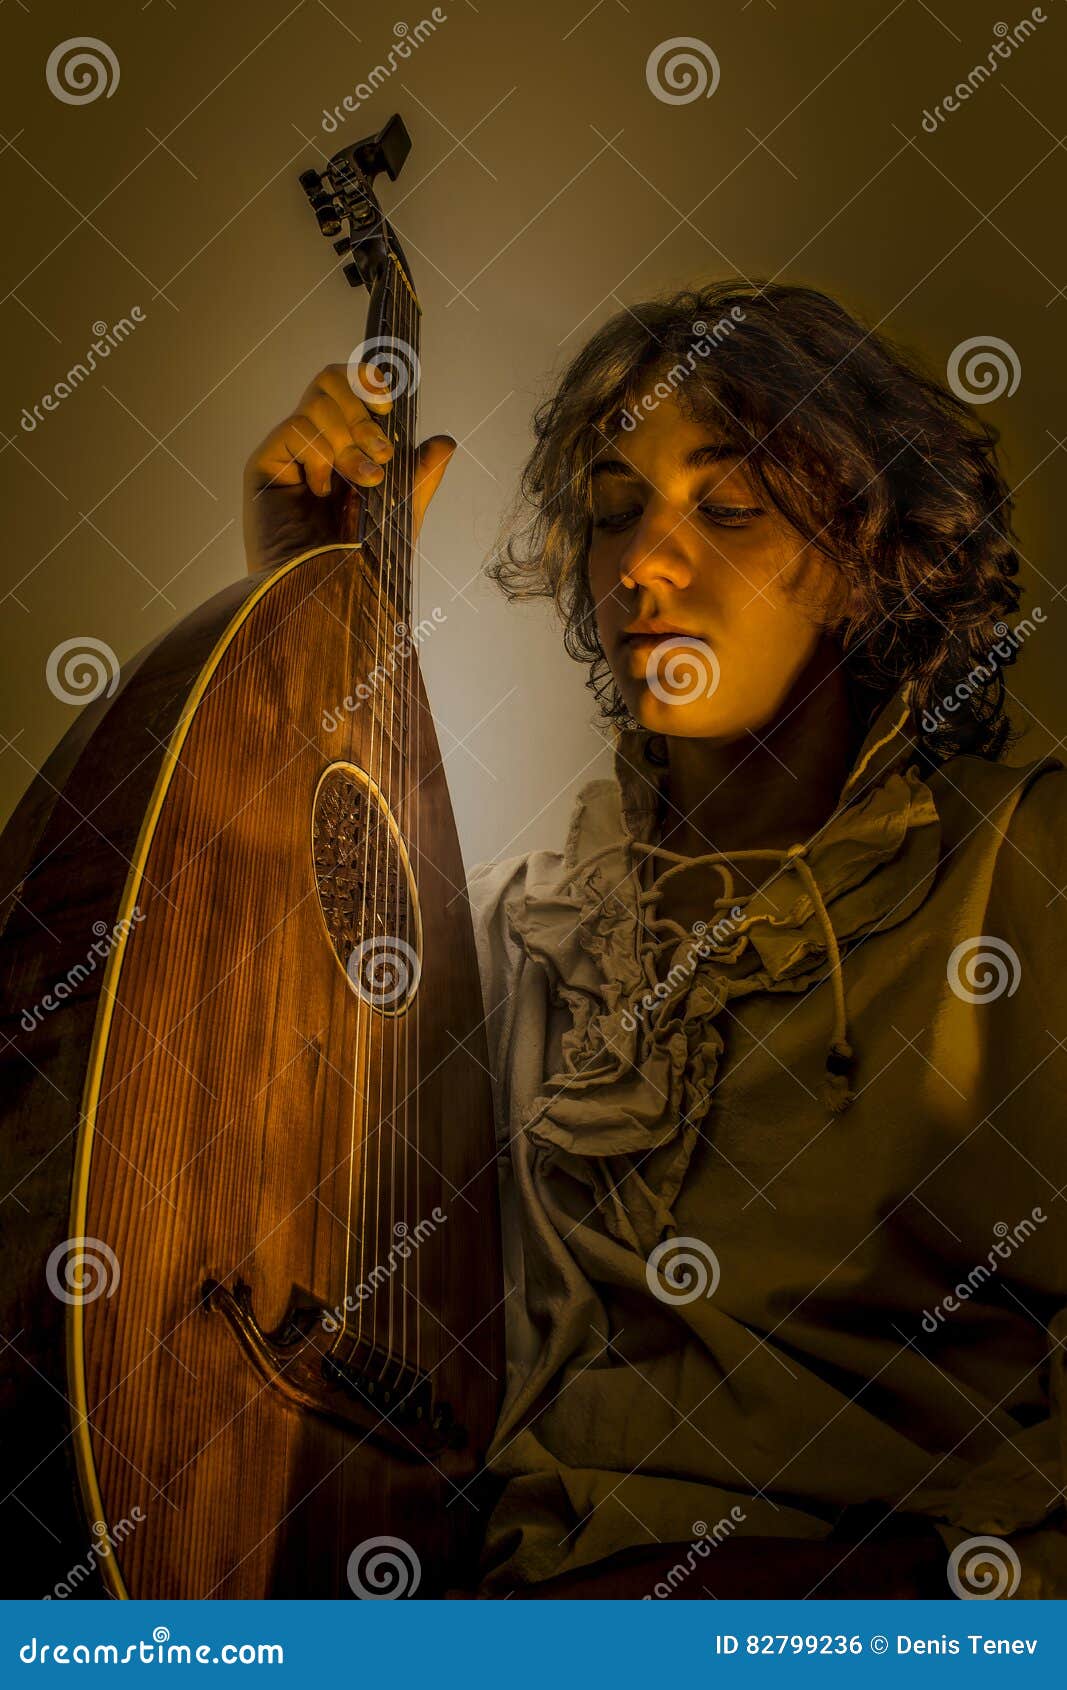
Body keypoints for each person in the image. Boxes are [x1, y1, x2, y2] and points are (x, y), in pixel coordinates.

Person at [245, 280, 1067, 1600]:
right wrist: (306, 619)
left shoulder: (1015, 868)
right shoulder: (525, 920)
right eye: (617, 508)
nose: (641, 562)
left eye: (728, 508)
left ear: (869, 549)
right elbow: (256, 1138)